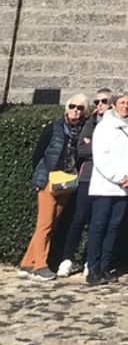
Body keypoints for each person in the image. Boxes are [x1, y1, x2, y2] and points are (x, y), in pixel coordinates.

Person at [19, 93, 87, 281]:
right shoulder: (53, 128)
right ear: (66, 108)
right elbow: (38, 154)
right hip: (48, 180)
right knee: (45, 224)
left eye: (80, 108)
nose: (76, 110)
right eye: (73, 106)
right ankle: (40, 265)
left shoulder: (83, 130)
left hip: (66, 182)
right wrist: (38, 178)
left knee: (51, 223)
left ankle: (27, 262)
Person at [85, 89, 128, 286]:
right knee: (99, 225)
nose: (126, 106)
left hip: (127, 185)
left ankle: (104, 266)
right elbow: (101, 157)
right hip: (106, 186)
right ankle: (93, 267)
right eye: (122, 103)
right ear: (114, 105)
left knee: (114, 227)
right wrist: (117, 176)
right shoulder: (104, 127)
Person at [58, 90, 112, 277]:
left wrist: (94, 145)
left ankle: (91, 260)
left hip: (108, 179)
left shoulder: (115, 123)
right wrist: (101, 148)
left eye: (104, 101)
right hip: (87, 176)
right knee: (79, 218)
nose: (99, 105)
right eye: (96, 101)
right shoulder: (90, 123)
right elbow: (81, 149)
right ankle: (67, 258)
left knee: (98, 221)